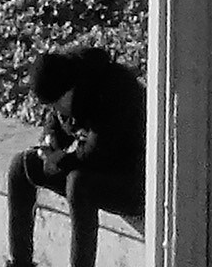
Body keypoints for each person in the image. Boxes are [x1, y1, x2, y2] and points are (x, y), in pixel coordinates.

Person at [8, 45, 145, 267]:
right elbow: (56, 122)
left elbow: (98, 155)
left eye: (57, 103)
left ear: (71, 89)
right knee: (22, 165)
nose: (57, 110)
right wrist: (50, 142)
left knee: (79, 184)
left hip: (137, 182)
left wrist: (60, 160)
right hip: (101, 167)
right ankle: (20, 262)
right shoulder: (67, 82)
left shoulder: (116, 90)